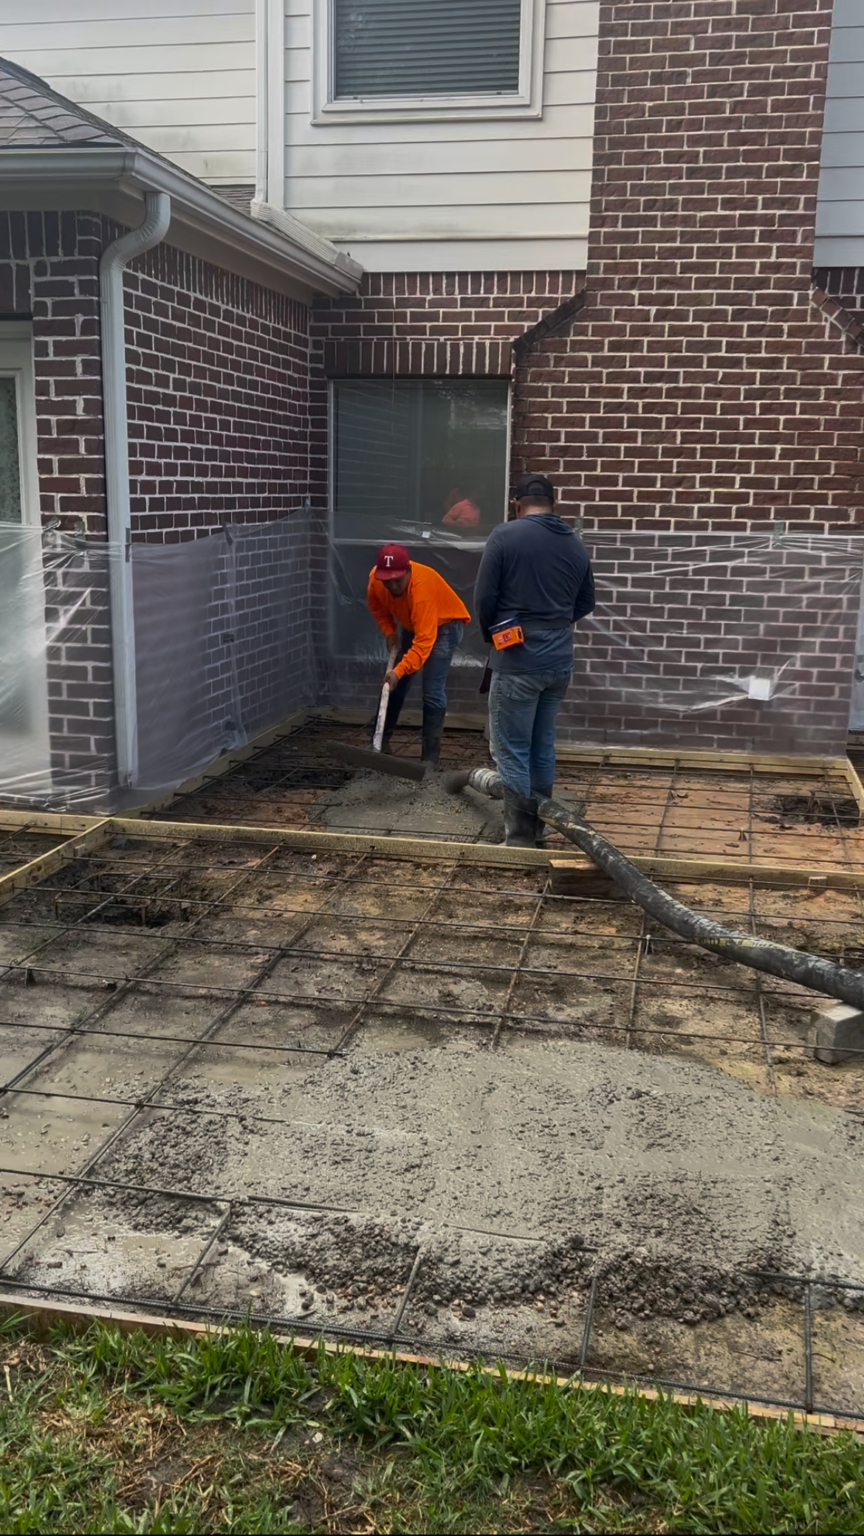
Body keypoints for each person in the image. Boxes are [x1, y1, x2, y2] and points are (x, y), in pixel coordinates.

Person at [474, 473, 595, 847]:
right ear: (554, 504)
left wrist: (496, 638)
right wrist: (552, 627)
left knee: (511, 748)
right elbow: (586, 601)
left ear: (517, 504)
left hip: (518, 660)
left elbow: (483, 599)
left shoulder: (505, 536)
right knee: (541, 745)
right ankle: (540, 827)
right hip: (559, 661)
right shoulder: (574, 543)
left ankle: (520, 838)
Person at [367, 543, 470, 768]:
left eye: (398, 580)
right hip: (412, 623)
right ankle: (379, 742)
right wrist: (389, 632)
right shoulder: (376, 580)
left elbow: (423, 644)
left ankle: (430, 758)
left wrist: (399, 670)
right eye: (388, 580)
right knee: (394, 683)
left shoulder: (421, 590)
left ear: (409, 571)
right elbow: (377, 606)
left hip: (444, 626)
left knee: (432, 689)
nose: (393, 586)